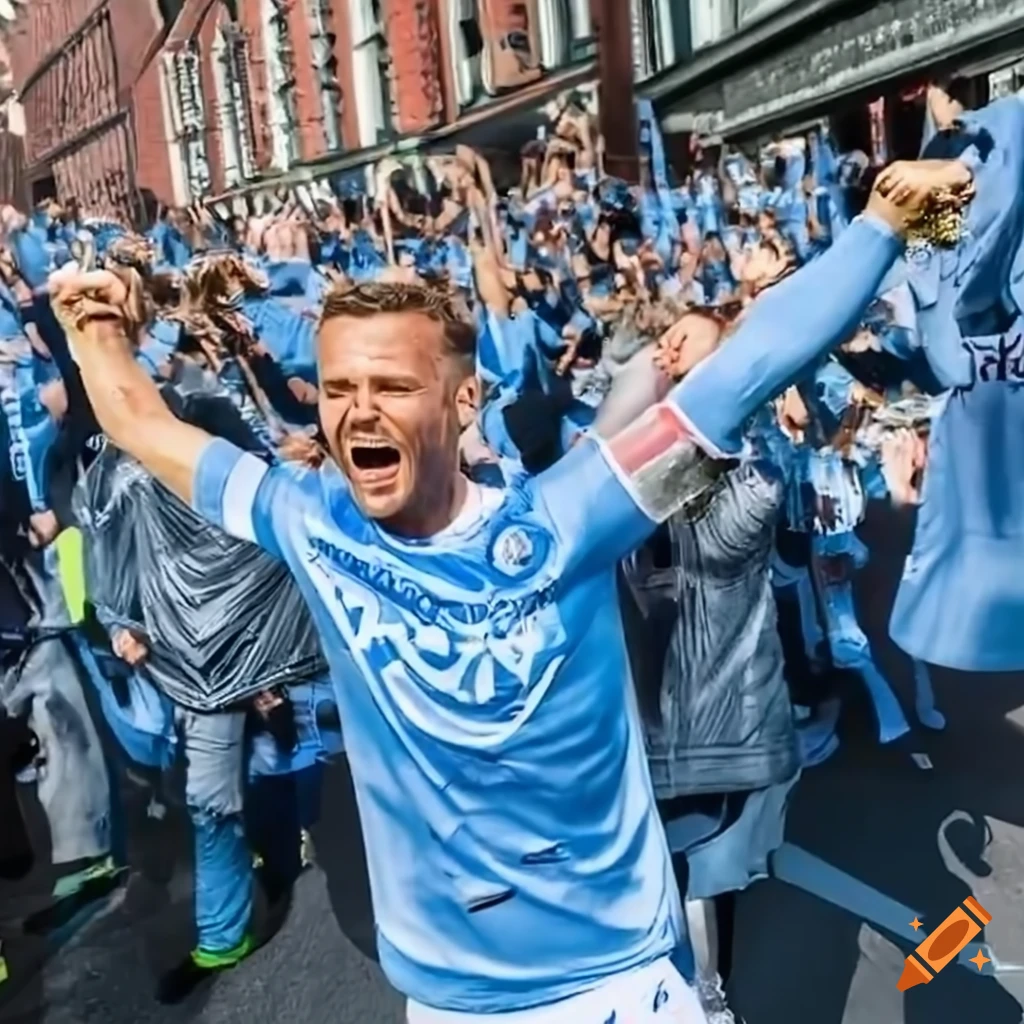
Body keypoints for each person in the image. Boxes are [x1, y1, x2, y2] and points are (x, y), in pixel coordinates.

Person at [49, 165, 940, 1022]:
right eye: (338, 389)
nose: (358, 410)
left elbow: (748, 372)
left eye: (392, 386)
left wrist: (881, 229)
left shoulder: (579, 514)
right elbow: (142, 424)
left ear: (461, 398)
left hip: (617, 985)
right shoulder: (309, 525)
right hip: (451, 1003)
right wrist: (94, 333)